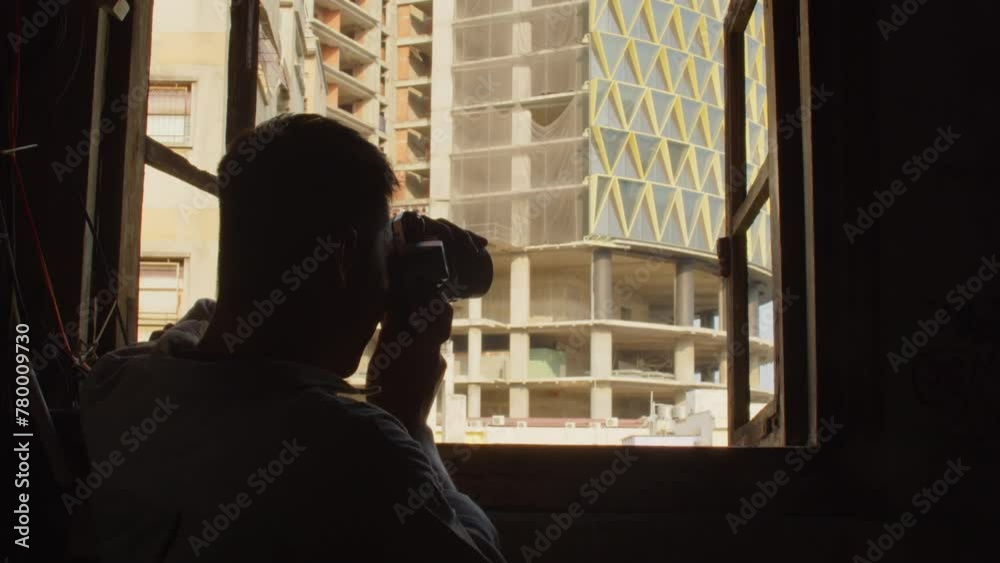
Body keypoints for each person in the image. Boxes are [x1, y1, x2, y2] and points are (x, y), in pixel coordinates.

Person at [79, 114, 506, 562]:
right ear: (342, 258)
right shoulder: (356, 446)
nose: (387, 284)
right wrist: (409, 419)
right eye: (383, 256)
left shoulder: (120, 380)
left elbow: (208, 334)